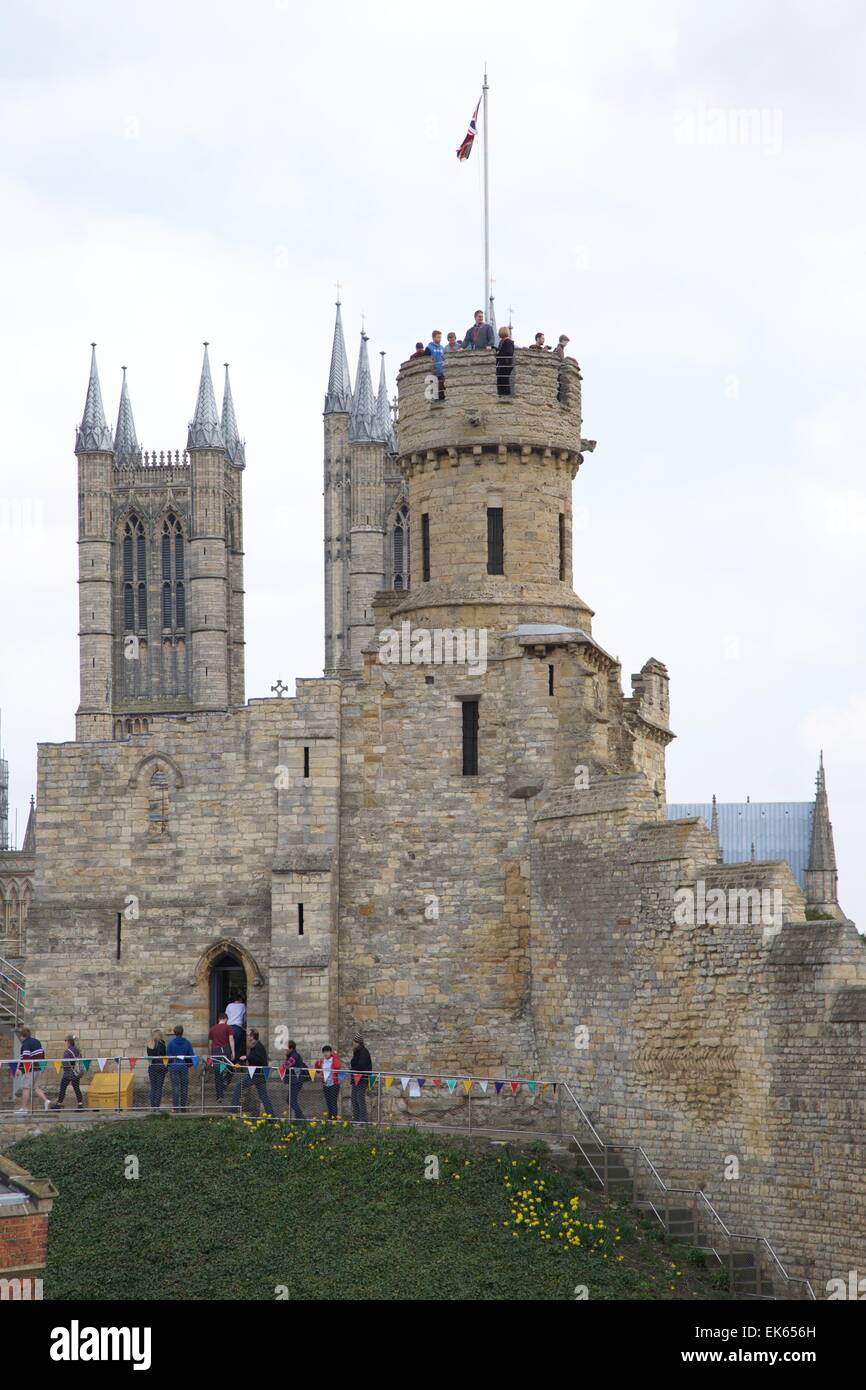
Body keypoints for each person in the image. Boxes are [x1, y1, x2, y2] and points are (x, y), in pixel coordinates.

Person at [230, 1029, 276, 1118]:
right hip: (259, 1075)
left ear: (252, 1036)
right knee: (264, 1097)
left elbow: (259, 1059)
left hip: (256, 1075)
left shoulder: (258, 1046)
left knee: (238, 1086)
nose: (247, 1037)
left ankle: (233, 1109)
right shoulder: (256, 1045)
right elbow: (256, 1059)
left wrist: (247, 1057)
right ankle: (272, 1118)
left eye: (248, 1035)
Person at [15, 1027, 50, 1114]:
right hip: (39, 1067)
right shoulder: (37, 1041)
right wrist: (42, 1067)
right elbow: (42, 1054)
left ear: (23, 1036)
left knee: (25, 1088)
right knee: (35, 1087)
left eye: (21, 1037)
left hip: (30, 1069)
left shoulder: (25, 1044)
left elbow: (26, 1058)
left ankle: (24, 1109)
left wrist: (25, 1071)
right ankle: (46, 1100)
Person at [50, 1035, 84, 1110]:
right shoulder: (77, 1050)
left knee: (63, 1088)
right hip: (76, 1072)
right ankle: (80, 1105)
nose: (65, 1043)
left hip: (68, 1073)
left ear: (68, 1042)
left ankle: (59, 1104)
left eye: (65, 1041)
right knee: (76, 1088)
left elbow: (65, 1062)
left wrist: (62, 1066)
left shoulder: (67, 1052)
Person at [167, 1023, 194, 1113]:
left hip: (174, 1066)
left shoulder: (171, 1043)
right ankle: (183, 1107)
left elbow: (168, 1057)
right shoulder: (187, 1043)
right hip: (184, 1067)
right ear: (182, 1032)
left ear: (174, 1033)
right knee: (184, 1087)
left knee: (175, 1087)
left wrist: (170, 1064)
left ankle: (175, 1107)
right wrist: (188, 1064)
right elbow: (191, 1055)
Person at [208, 1012, 234, 1104]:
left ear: (219, 1019)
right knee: (231, 1068)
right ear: (226, 1019)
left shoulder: (212, 1029)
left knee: (217, 1074)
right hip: (225, 1051)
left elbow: (210, 1043)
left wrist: (210, 1054)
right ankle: (224, 1082)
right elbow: (231, 1039)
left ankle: (219, 1096)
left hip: (215, 1052)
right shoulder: (228, 1027)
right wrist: (233, 1052)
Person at [349, 1034, 372, 1124]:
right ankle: (356, 1119)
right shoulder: (356, 1051)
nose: (353, 1043)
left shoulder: (364, 1052)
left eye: (354, 1041)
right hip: (355, 1078)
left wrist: (352, 1069)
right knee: (354, 1099)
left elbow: (361, 1065)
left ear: (358, 1042)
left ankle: (363, 1121)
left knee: (360, 1099)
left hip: (362, 1079)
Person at [315, 1044, 342, 1120]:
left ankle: (334, 1120)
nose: (326, 1053)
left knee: (333, 1102)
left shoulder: (334, 1059)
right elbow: (317, 1070)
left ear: (331, 1052)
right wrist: (317, 1064)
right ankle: (330, 1119)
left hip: (334, 1084)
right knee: (328, 1102)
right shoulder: (322, 1061)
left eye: (327, 1051)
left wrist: (335, 1056)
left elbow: (337, 1066)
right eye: (324, 1052)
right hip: (326, 1084)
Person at [283, 1039, 306, 1120]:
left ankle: (301, 1118)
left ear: (291, 1048)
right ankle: (299, 1118)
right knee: (291, 1100)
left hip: (296, 1081)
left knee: (291, 1100)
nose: (285, 1050)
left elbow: (286, 1065)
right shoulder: (293, 1055)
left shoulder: (294, 1056)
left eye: (286, 1048)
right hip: (294, 1081)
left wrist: (285, 1059)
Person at [146, 1030, 167, 1110]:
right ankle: (157, 1107)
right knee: (159, 1088)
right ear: (159, 1036)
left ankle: (152, 1106)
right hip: (160, 1067)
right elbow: (164, 1055)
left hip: (152, 1067)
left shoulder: (149, 1045)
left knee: (153, 1087)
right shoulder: (162, 1044)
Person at [226, 991, 246, 1063]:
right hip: (238, 1028)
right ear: (240, 999)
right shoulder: (243, 1005)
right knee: (237, 1047)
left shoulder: (229, 1005)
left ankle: (228, 1065)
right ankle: (235, 1065)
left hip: (229, 1027)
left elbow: (226, 1017)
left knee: (228, 1048)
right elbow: (244, 1018)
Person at [425, 330, 446, 400]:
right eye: (438, 337)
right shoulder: (428, 348)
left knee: (442, 393)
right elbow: (426, 360)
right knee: (435, 393)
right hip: (433, 373)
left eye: (440, 337)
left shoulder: (443, 348)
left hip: (442, 372)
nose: (439, 339)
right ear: (433, 338)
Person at [496, 325, 515, 396]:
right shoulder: (502, 342)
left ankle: (505, 395)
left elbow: (509, 352)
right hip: (503, 364)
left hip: (506, 364)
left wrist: (499, 353)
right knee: (501, 381)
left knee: (504, 381)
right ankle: (502, 395)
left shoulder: (508, 342)